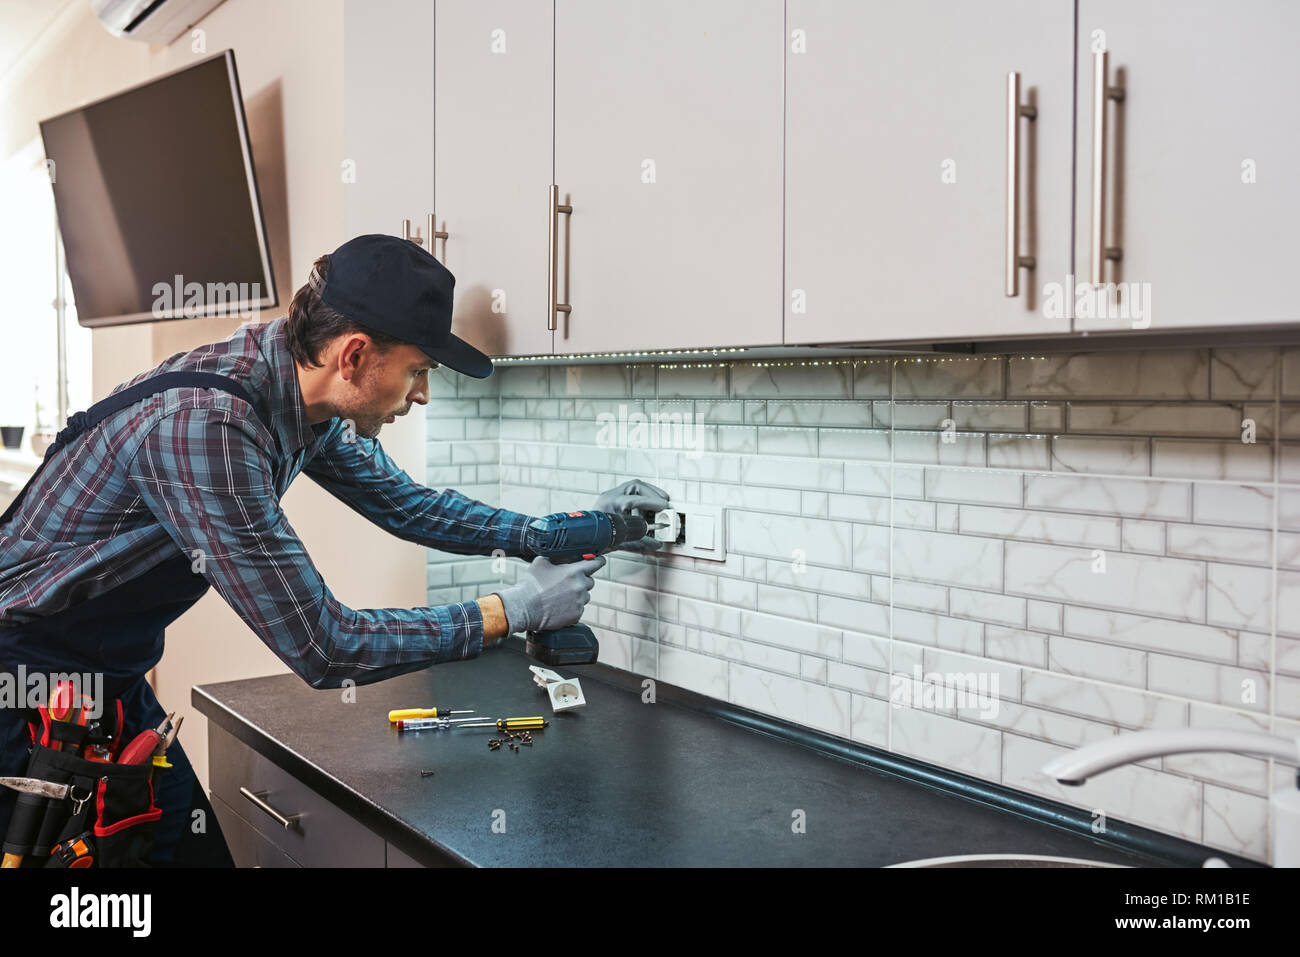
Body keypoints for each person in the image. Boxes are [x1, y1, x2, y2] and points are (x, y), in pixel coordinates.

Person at [0, 234, 670, 866]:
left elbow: (408, 505)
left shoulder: (294, 390)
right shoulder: (209, 428)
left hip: (107, 688)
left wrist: (565, 531)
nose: (422, 393)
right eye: (417, 369)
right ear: (354, 355)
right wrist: (515, 609)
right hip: (21, 694)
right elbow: (326, 645)